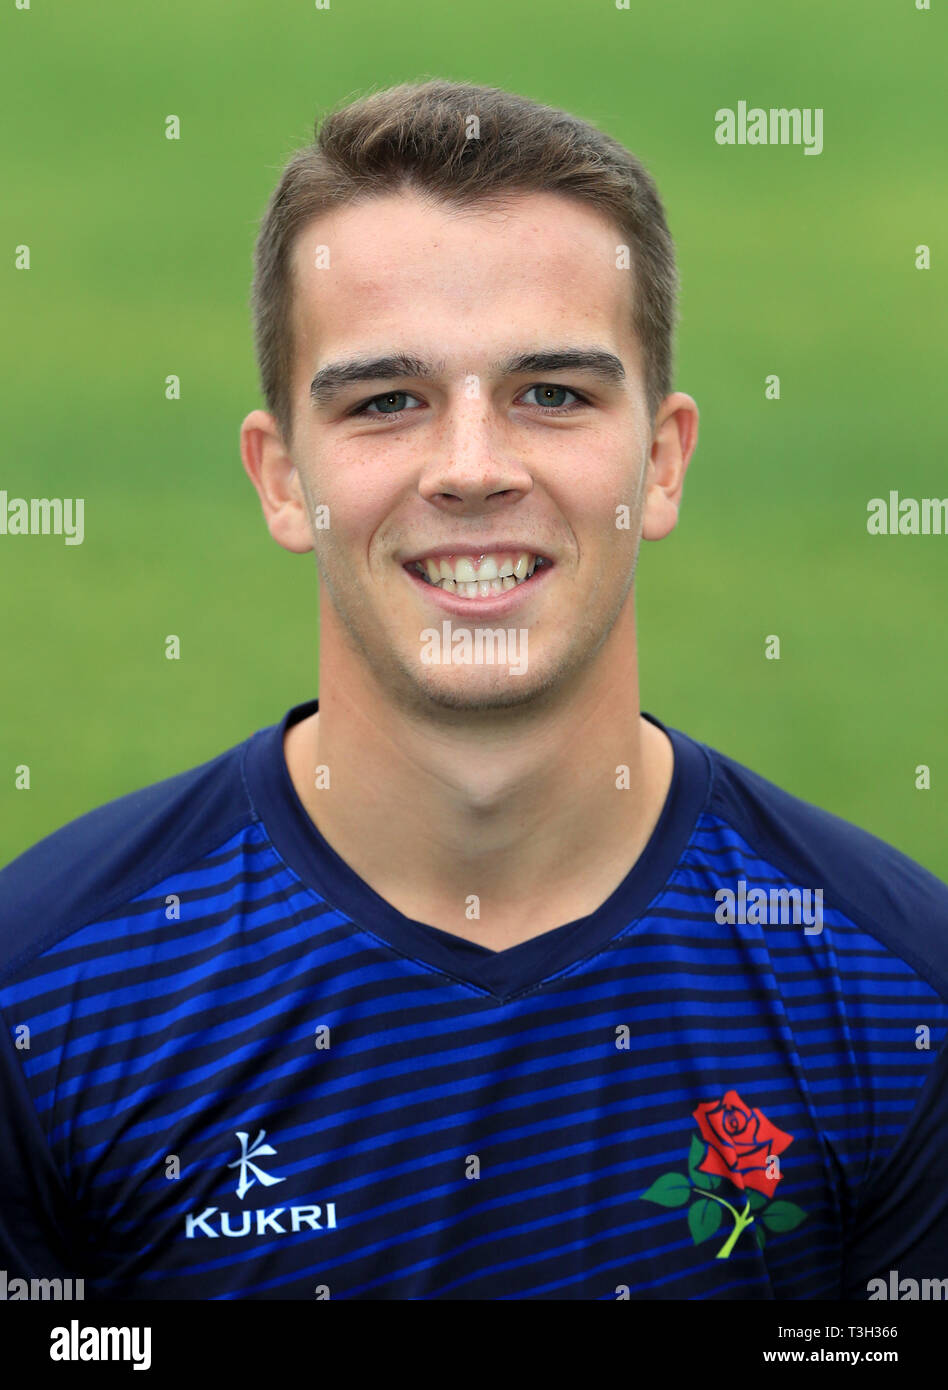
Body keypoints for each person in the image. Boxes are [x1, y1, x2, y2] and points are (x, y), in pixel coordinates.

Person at [1, 80, 946, 1302]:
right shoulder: (48, 994)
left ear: (661, 462)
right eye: (386, 401)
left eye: (552, 393)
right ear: (282, 477)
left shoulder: (898, 993)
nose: (471, 468)